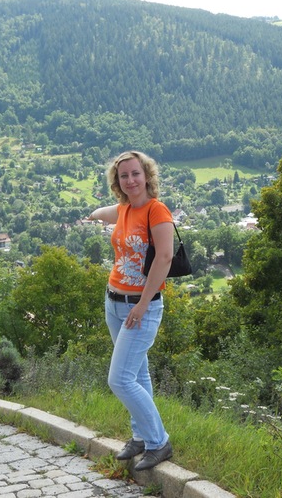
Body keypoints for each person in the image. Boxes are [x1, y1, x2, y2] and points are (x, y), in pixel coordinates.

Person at [88, 151, 174, 471]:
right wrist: (93, 215)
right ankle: (140, 437)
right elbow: (104, 212)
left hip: (141, 307)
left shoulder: (156, 210)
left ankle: (159, 441)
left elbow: (164, 258)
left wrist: (142, 303)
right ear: (118, 182)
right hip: (113, 302)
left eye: (135, 173)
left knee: (120, 379)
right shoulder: (124, 209)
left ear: (147, 176)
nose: (130, 180)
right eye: (123, 176)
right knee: (137, 374)